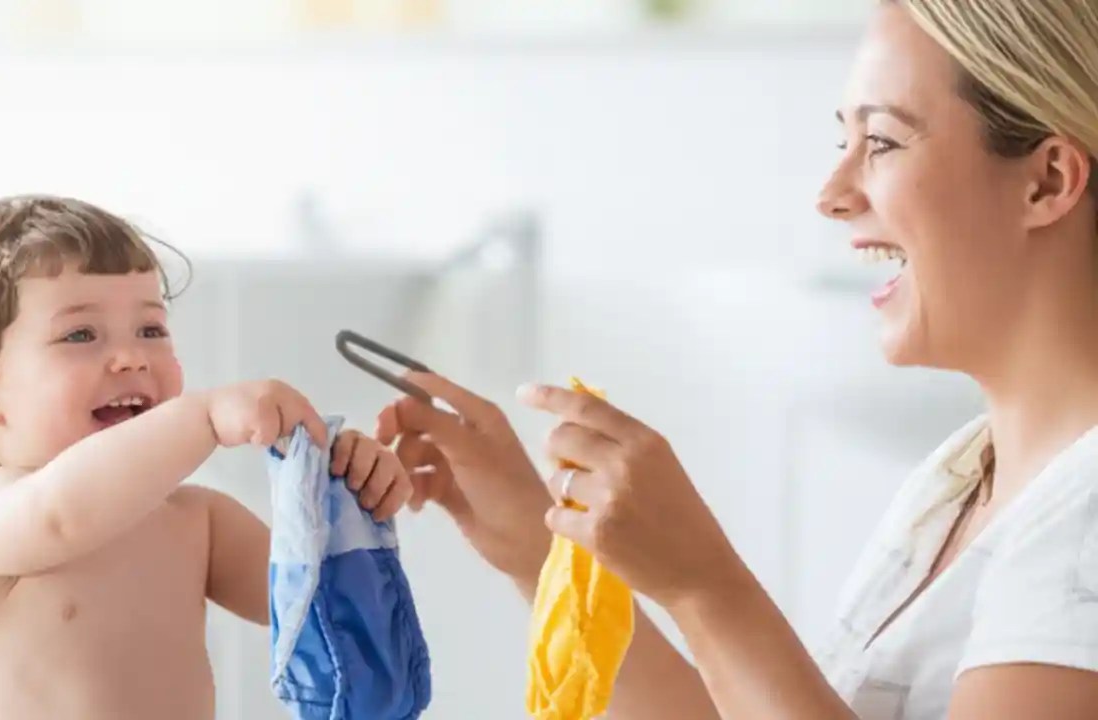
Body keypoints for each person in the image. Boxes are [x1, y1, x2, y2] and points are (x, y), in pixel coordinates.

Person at [376, 2, 1098, 717]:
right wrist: (545, 547)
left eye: (881, 142)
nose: (832, 195)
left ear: (1048, 182)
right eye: (841, 141)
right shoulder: (959, 484)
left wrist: (706, 587)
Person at [0, 195, 414, 720]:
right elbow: (62, 515)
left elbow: (312, 601)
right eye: (80, 334)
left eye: (151, 330)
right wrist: (204, 417)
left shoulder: (197, 521)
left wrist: (342, 488)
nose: (132, 357)